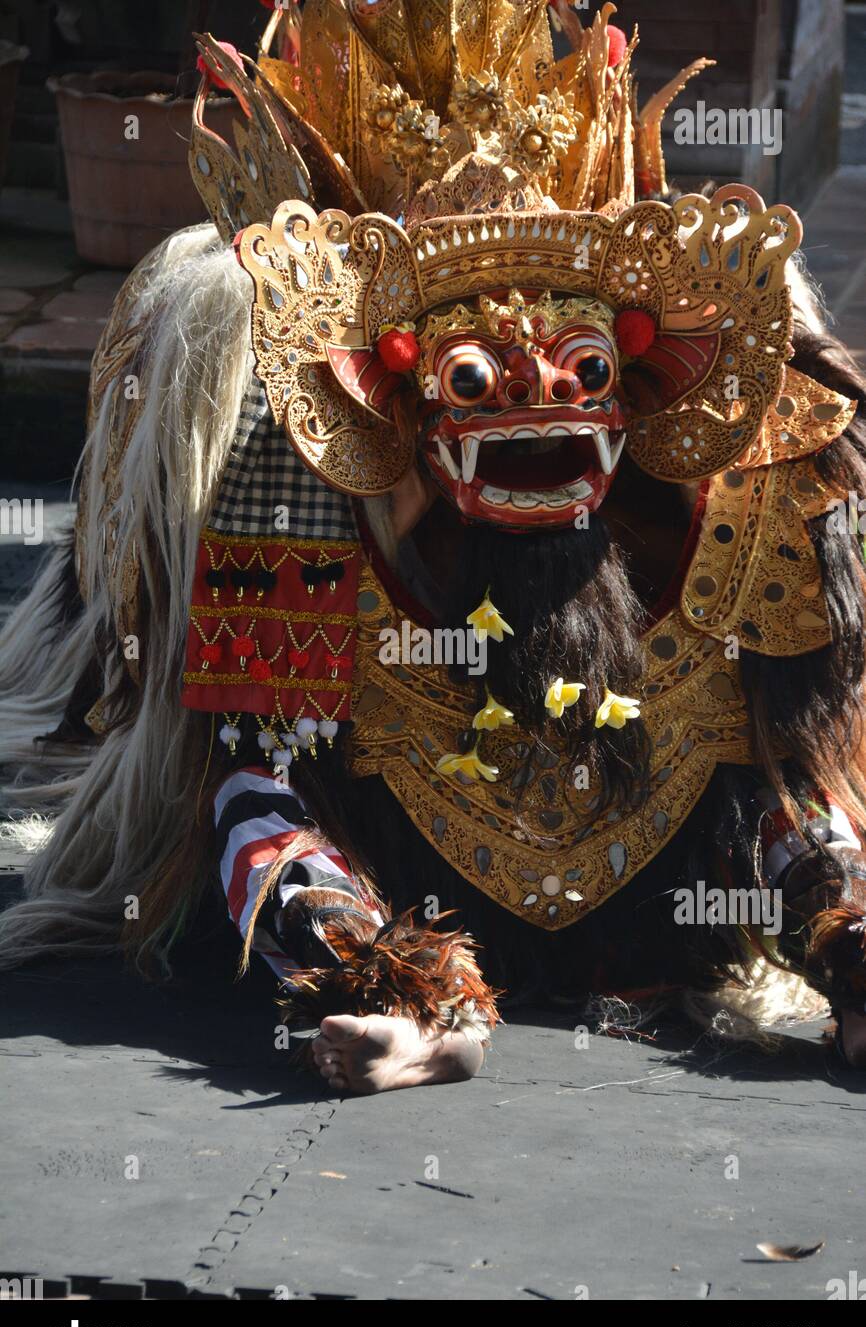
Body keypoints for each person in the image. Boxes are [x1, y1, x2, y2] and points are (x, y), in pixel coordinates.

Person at [2, 1, 866, 1094]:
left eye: (582, 371)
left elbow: (788, 781)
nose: (537, 405)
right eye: (470, 378)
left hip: (656, 921)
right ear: (391, 393)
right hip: (397, 888)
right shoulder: (293, 483)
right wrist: (374, 975)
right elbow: (253, 782)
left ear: (642, 376)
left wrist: (845, 942)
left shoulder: (734, 504)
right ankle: (406, 998)